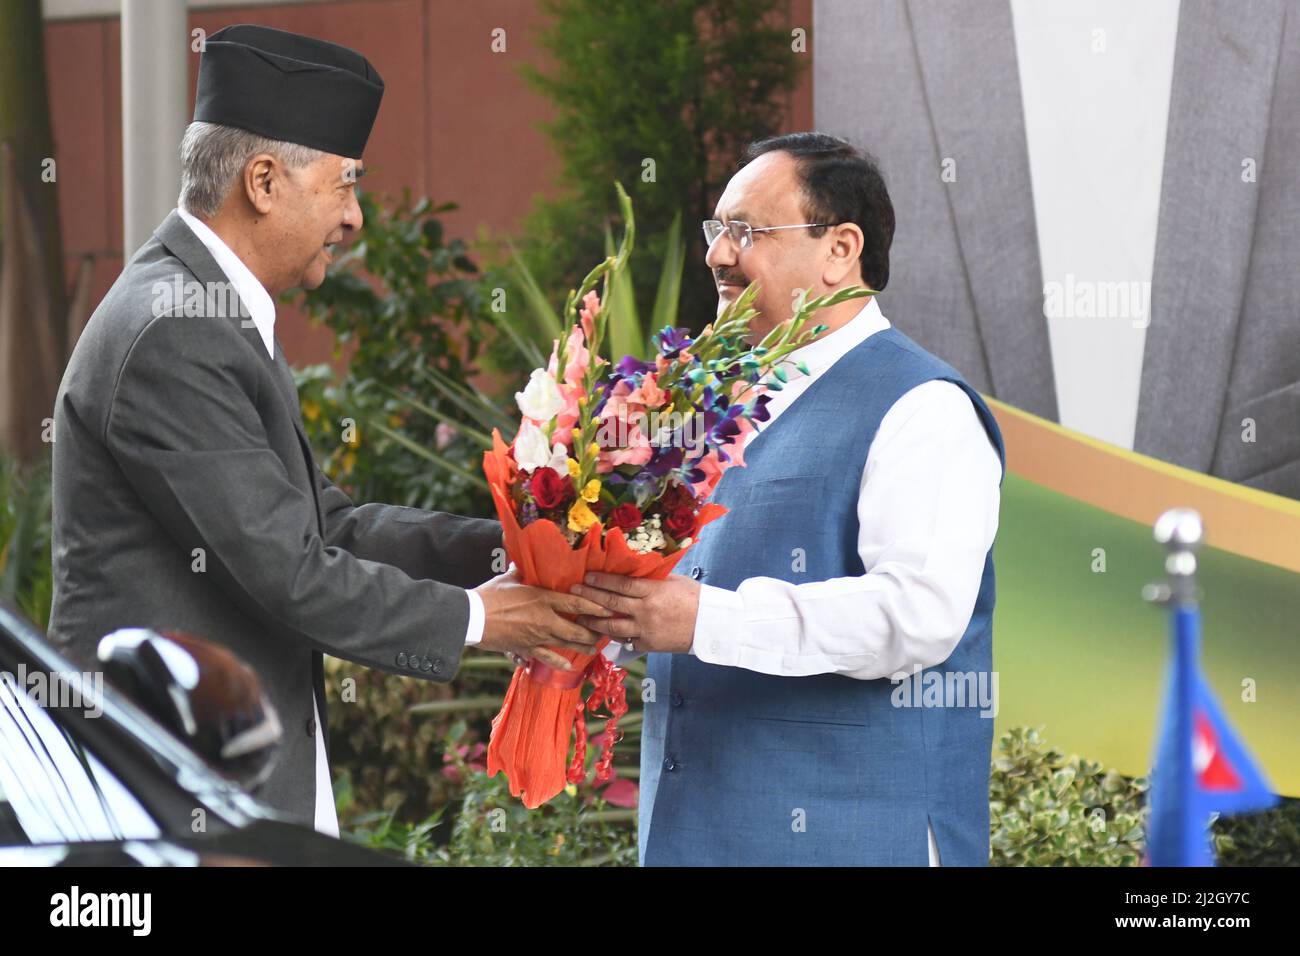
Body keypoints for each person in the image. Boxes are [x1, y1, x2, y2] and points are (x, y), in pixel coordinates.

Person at [48, 25, 610, 835]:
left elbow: (328, 527)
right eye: (344, 186)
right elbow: (293, 572)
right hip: (168, 797)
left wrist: (527, 550)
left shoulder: (209, 305)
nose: (353, 219)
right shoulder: (174, 325)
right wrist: (489, 618)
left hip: (219, 785)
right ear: (265, 181)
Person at [572, 133, 1005, 866]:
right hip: (694, 833)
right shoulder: (705, 399)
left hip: (857, 838)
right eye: (717, 230)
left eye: (746, 231)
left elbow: (917, 616)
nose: (718, 254)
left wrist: (706, 618)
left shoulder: (922, 406)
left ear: (841, 249)